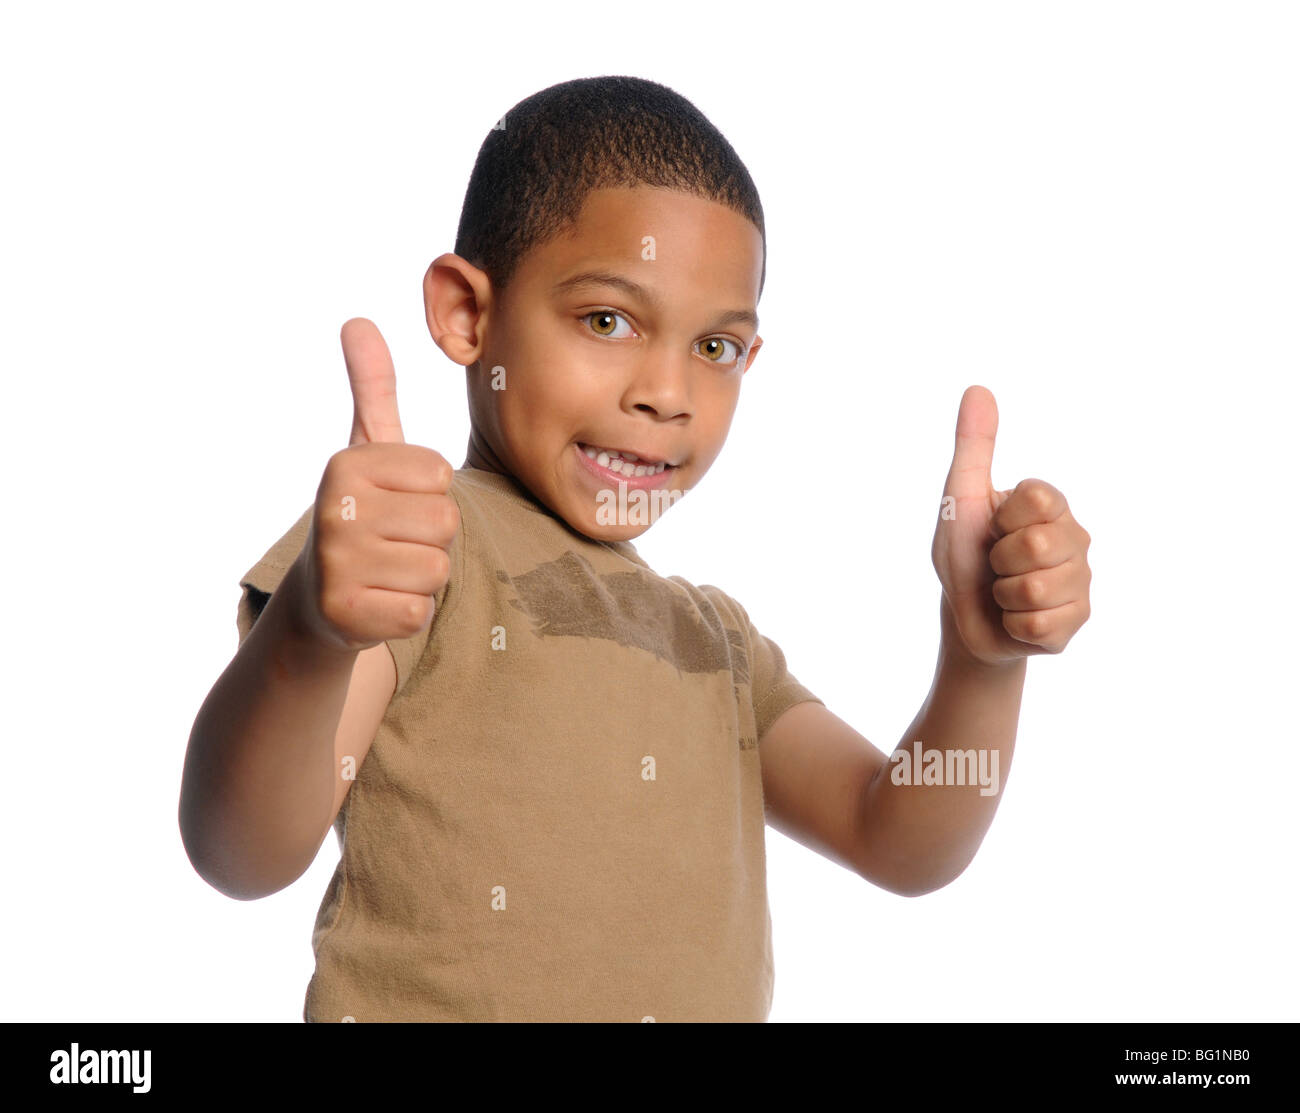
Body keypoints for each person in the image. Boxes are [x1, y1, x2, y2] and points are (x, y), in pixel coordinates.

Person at [178, 74, 1093, 1022]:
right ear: (467, 313)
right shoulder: (410, 548)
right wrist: (311, 635)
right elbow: (240, 852)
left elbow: (898, 837)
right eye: (608, 321)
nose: (668, 393)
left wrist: (982, 665)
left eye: (715, 348)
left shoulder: (715, 642)